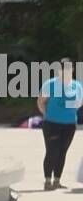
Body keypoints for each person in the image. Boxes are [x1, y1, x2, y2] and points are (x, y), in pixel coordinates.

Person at [36, 58, 82, 190]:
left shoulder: (77, 85)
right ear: (59, 70)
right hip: (51, 123)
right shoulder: (50, 84)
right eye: (64, 68)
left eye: (69, 68)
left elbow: (79, 102)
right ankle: (47, 180)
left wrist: (68, 107)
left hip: (69, 124)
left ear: (72, 70)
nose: (67, 71)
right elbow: (41, 102)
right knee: (52, 151)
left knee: (63, 152)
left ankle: (57, 180)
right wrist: (47, 114)